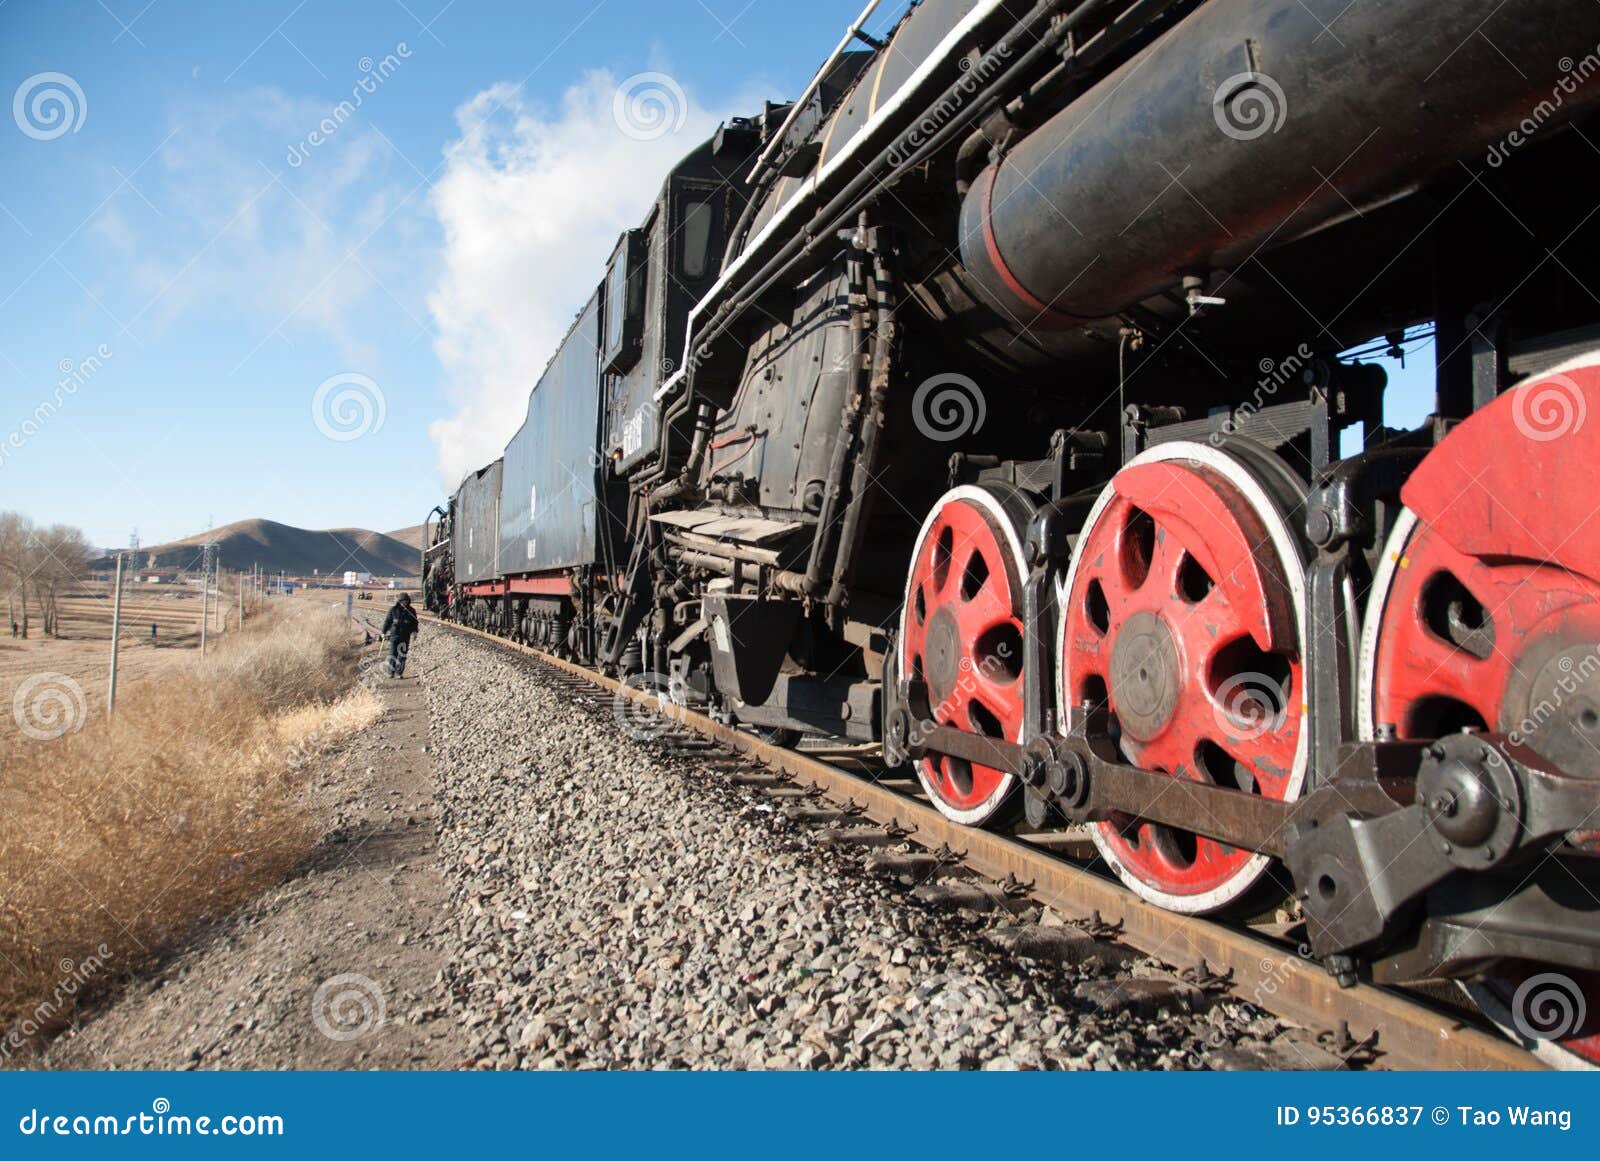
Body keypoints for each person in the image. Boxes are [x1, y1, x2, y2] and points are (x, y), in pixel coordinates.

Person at [381, 592, 420, 678]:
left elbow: (415, 623)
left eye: (406, 601)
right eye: (402, 601)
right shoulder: (393, 610)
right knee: (393, 654)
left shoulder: (411, 611)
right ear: (399, 601)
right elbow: (387, 621)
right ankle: (390, 672)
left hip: (405, 636)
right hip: (394, 636)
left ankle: (399, 673)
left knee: (402, 655)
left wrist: (415, 632)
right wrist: (383, 632)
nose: (404, 603)